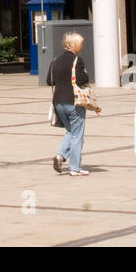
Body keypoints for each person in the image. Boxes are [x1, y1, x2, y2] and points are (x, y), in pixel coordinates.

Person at [47, 31, 90, 176]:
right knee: (77, 134)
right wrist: (85, 75)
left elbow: (49, 81)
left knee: (71, 131)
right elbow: (81, 79)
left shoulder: (55, 60)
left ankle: (60, 156)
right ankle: (75, 168)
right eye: (81, 44)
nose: (82, 46)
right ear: (75, 45)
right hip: (74, 101)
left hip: (58, 102)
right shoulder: (77, 60)